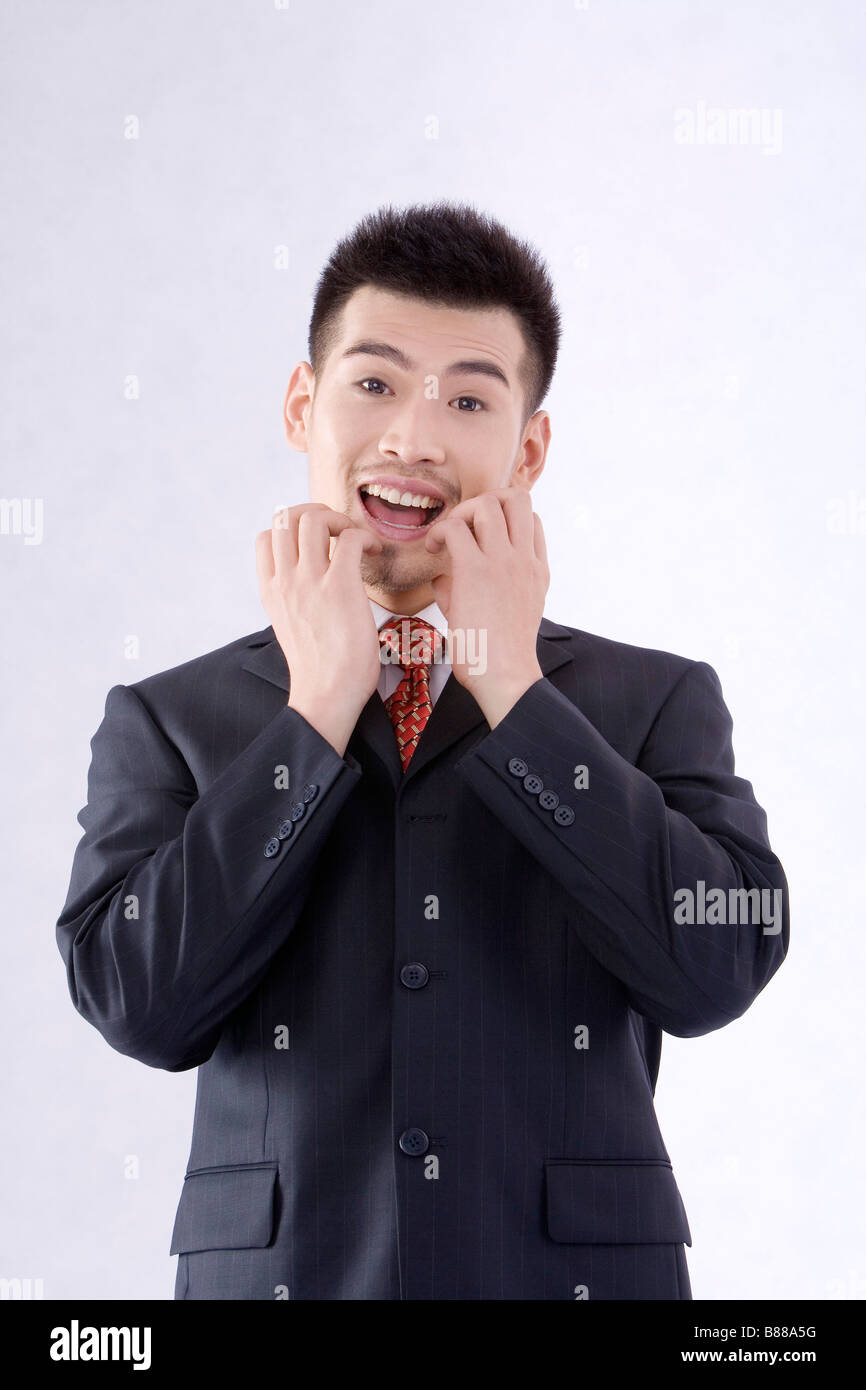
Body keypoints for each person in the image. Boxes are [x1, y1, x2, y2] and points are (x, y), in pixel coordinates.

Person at [56, 200, 789, 1300]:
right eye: (374, 382)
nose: (413, 435)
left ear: (526, 447)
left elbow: (718, 965)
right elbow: (138, 1005)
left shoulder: (653, 698)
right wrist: (311, 717)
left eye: (466, 398)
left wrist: (511, 686)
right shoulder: (169, 716)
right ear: (303, 405)